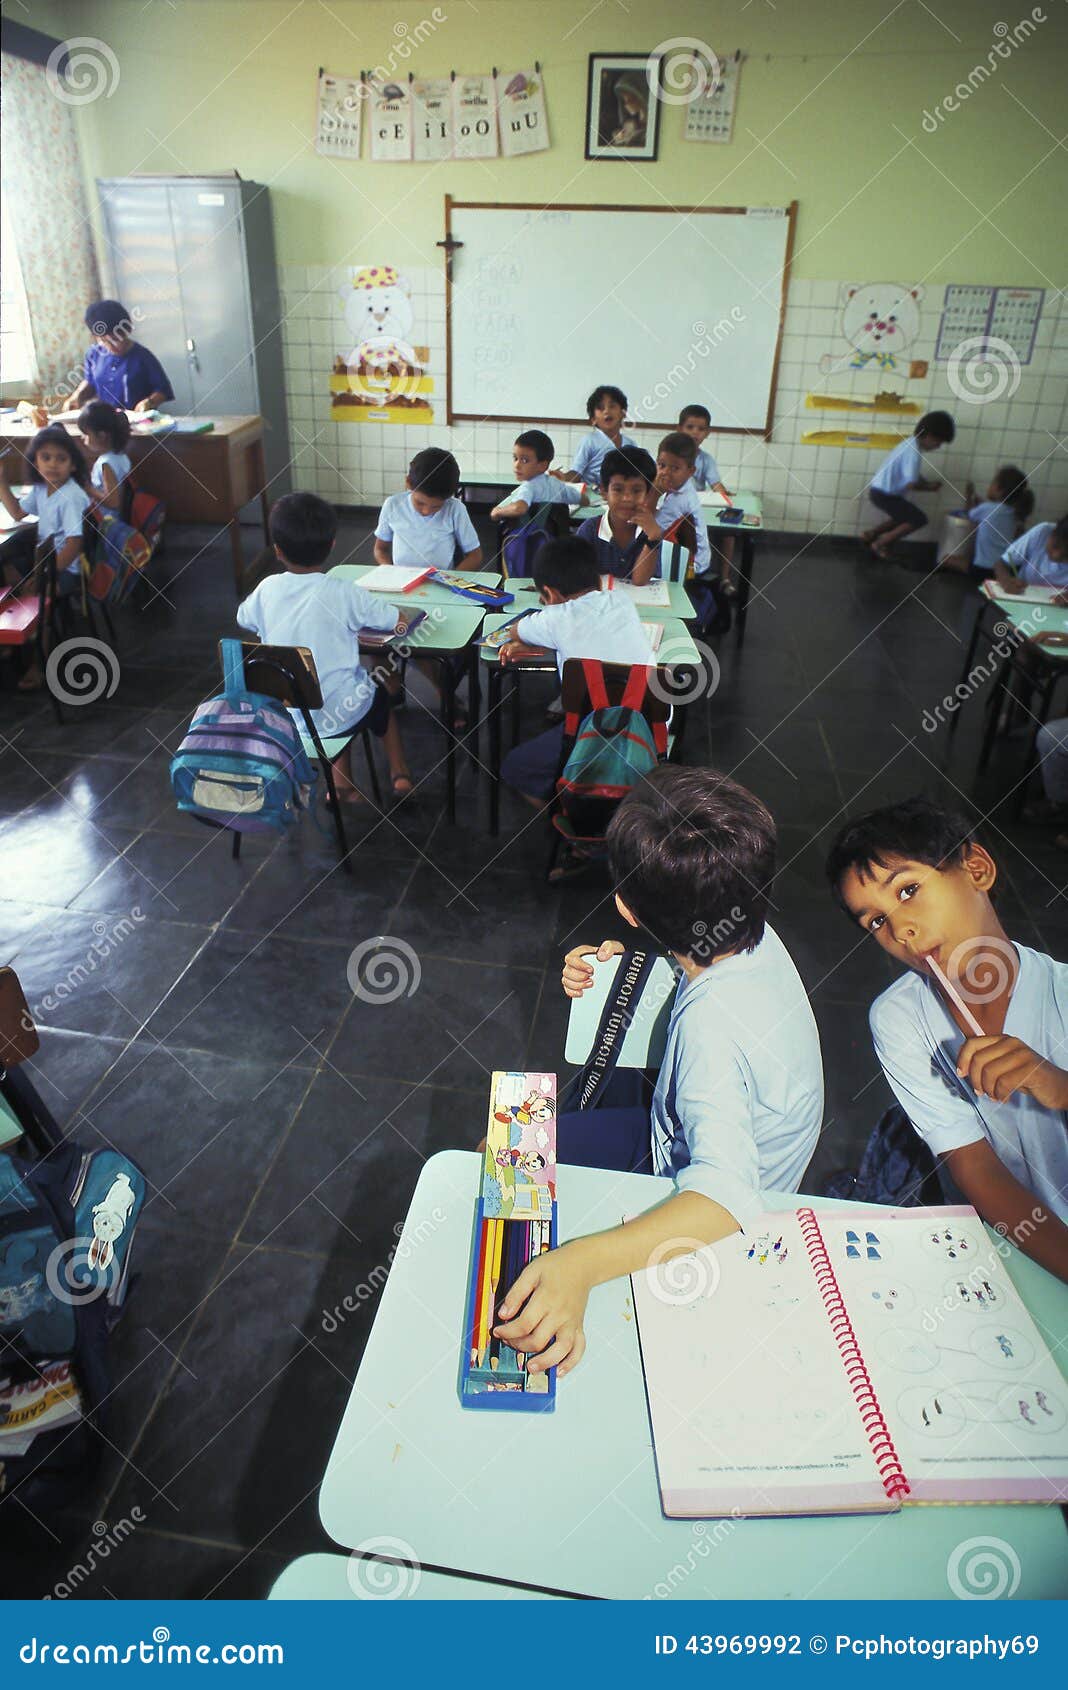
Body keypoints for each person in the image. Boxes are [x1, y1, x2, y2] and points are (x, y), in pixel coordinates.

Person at [491, 767, 823, 1377]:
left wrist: (581, 1264)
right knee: (521, 1144)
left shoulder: (711, 1031)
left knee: (509, 1153)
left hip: (691, 1188)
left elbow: (726, 1195)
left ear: (625, 907)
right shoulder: (748, 929)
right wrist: (628, 973)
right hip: (679, 1133)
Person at [826, 796, 1068, 1283]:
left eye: (909, 889)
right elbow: (975, 1169)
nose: (901, 929)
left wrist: (1058, 1086)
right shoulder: (898, 1018)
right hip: (1000, 1245)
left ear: (977, 869)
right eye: (875, 921)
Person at [237, 492, 413, 801]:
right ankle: (400, 775)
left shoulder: (266, 589)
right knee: (380, 697)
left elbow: (243, 618)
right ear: (332, 545)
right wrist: (400, 617)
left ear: (277, 551)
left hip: (283, 714)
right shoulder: (343, 592)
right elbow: (392, 619)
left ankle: (341, 786)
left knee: (326, 689)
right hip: (338, 710)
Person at [498, 535, 654, 811]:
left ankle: (574, 821)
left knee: (515, 768)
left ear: (551, 594)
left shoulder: (555, 617)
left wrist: (535, 629)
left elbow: (513, 630)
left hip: (591, 738)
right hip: (649, 734)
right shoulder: (621, 601)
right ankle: (612, 812)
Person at [0, 426, 91, 688]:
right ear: (35, 460)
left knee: (40, 603)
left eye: (61, 459)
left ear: (73, 465)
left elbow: (74, 545)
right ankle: (12, 640)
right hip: (44, 564)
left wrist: (42, 577)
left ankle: (38, 665)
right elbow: (17, 513)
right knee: (6, 568)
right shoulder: (42, 489)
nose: (52, 465)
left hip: (67, 571)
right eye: (46, 457)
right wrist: (2, 480)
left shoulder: (71, 496)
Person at [861, 411, 955, 560]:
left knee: (902, 517)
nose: (938, 446)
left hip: (879, 491)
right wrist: (929, 488)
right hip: (885, 494)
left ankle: (871, 534)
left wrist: (926, 483)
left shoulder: (909, 443)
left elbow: (913, 475)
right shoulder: (913, 452)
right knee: (919, 519)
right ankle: (880, 544)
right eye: (939, 442)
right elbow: (911, 484)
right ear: (930, 435)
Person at [374, 447, 481, 570]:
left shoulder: (455, 509)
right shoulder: (392, 505)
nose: (426, 511)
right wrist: (390, 571)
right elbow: (380, 549)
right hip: (403, 582)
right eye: (419, 503)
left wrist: (452, 580)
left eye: (436, 506)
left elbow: (475, 555)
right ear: (408, 482)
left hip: (441, 582)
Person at [575, 446, 663, 585]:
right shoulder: (590, 530)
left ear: (648, 493)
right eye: (618, 489)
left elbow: (640, 581)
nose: (627, 498)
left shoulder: (650, 531)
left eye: (636, 490)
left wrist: (653, 540)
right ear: (604, 491)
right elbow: (577, 578)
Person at [69, 300, 173, 414]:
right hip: (106, 421)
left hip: (137, 422)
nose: (111, 346)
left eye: (115, 339)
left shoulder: (143, 357)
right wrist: (76, 395)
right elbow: (90, 381)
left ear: (126, 331)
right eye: (103, 341)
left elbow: (163, 390)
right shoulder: (94, 355)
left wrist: (149, 402)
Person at [941, 466, 1033, 574]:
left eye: (992, 483)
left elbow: (968, 515)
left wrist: (969, 496)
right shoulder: (1015, 512)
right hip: (1006, 570)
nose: (989, 487)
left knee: (946, 558)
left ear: (999, 489)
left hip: (983, 569)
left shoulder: (986, 508)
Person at [490, 430, 587, 521]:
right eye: (515, 458)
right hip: (556, 537)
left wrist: (498, 511)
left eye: (524, 460)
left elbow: (519, 508)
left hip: (530, 537)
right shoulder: (557, 484)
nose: (517, 465)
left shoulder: (528, 487)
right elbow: (584, 500)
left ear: (542, 466)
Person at [654, 429, 711, 580]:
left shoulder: (680, 499)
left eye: (675, 468)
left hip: (691, 568)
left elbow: (653, 531)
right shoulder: (680, 487)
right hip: (692, 557)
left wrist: (654, 493)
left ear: (690, 471)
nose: (666, 472)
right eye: (662, 465)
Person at [556, 386, 638, 485]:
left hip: (620, 496)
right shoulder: (589, 441)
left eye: (612, 406)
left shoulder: (631, 444)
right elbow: (576, 472)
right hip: (592, 497)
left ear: (623, 413)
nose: (606, 411)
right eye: (600, 408)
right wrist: (563, 476)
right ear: (593, 419)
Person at [993, 514, 1068, 595]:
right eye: (1055, 546)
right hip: (1022, 597)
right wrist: (1005, 580)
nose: (1056, 555)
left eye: (1066, 555)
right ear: (1053, 532)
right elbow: (1001, 563)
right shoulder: (1042, 532)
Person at [79, 401, 132, 512]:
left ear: (101, 435)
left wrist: (88, 489)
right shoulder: (120, 455)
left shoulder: (106, 463)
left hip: (106, 522)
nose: (82, 437)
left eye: (86, 434)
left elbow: (113, 502)